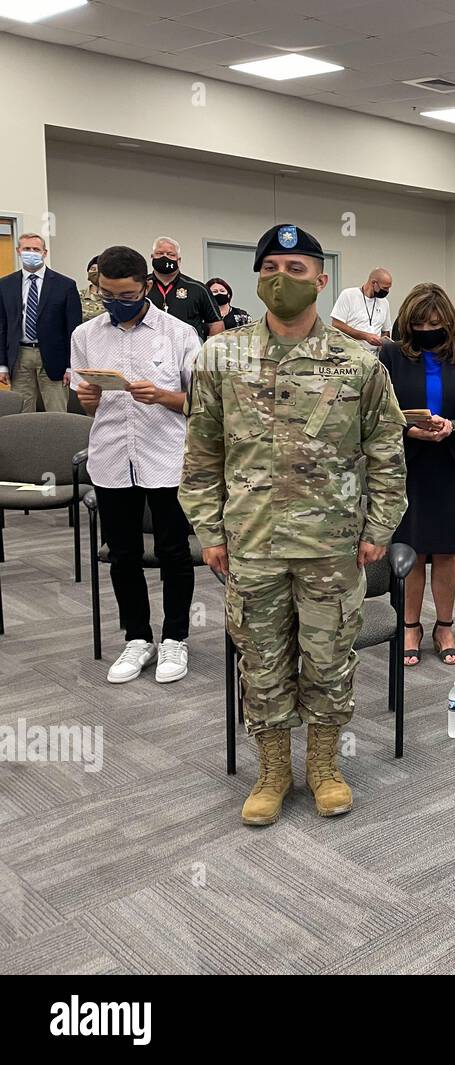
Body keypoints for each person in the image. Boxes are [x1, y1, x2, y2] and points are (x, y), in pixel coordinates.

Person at [180, 223, 407, 827]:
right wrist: (208, 531)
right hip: (251, 543)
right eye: (271, 269)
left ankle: (326, 766)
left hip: (332, 545)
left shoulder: (358, 362)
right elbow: (201, 454)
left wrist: (378, 530)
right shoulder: (219, 357)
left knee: (330, 657)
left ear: (322, 279)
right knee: (261, 659)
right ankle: (274, 769)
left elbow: (387, 454)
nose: (282, 280)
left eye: (297, 269)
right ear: (258, 279)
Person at [70, 246, 200, 684]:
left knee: (173, 552)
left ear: (145, 287)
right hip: (110, 458)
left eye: (125, 294)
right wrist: (87, 400)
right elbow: (89, 405)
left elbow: (201, 405)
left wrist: (163, 396)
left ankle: (175, 639)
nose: (115, 302)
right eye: (105, 294)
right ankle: (138, 638)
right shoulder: (85, 335)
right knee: (122, 554)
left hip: (165, 457)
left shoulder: (178, 333)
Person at [379, 284, 455, 667]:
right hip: (407, 466)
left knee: (446, 551)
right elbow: (377, 412)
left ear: (448, 321)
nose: (428, 328)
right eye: (419, 322)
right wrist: (406, 429)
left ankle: (444, 626)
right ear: (407, 323)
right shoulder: (391, 356)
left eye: (435, 321)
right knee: (412, 550)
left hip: (452, 467)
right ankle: (410, 625)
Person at [0, 233, 79, 412]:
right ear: (18, 251)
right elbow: (2, 326)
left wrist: (71, 365)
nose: (31, 253)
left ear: (45, 253)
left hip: (55, 357)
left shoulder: (65, 285)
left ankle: (58, 440)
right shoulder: (5, 285)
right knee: (21, 411)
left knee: (56, 410)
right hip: (20, 354)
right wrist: (2, 364)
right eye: (27, 249)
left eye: (36, 249)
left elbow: (73, 330)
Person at [146, 237, 223, 343]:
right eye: (160, 253)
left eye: (170, 254)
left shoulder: (198, 288)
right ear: (152, 257)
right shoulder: (142, 286)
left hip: (189, 353)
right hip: (149, 350)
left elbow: (215, 323)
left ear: (179, 260)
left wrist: (209, 352)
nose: (165, 257)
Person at [330, 268, 393, 352]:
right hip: (350, 354)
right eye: (385, 288)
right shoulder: (349, 295)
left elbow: (386, 331)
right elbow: (337, 324)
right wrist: (365, 336)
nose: (387, 291)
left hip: (374, 357)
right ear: (374, 283)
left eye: (388, 288)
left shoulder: (384, 303)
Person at [81, 256, 106, 322]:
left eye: (100, 270)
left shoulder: (113, 296)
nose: (96, 272)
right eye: (93, 269)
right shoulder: (79, 295)